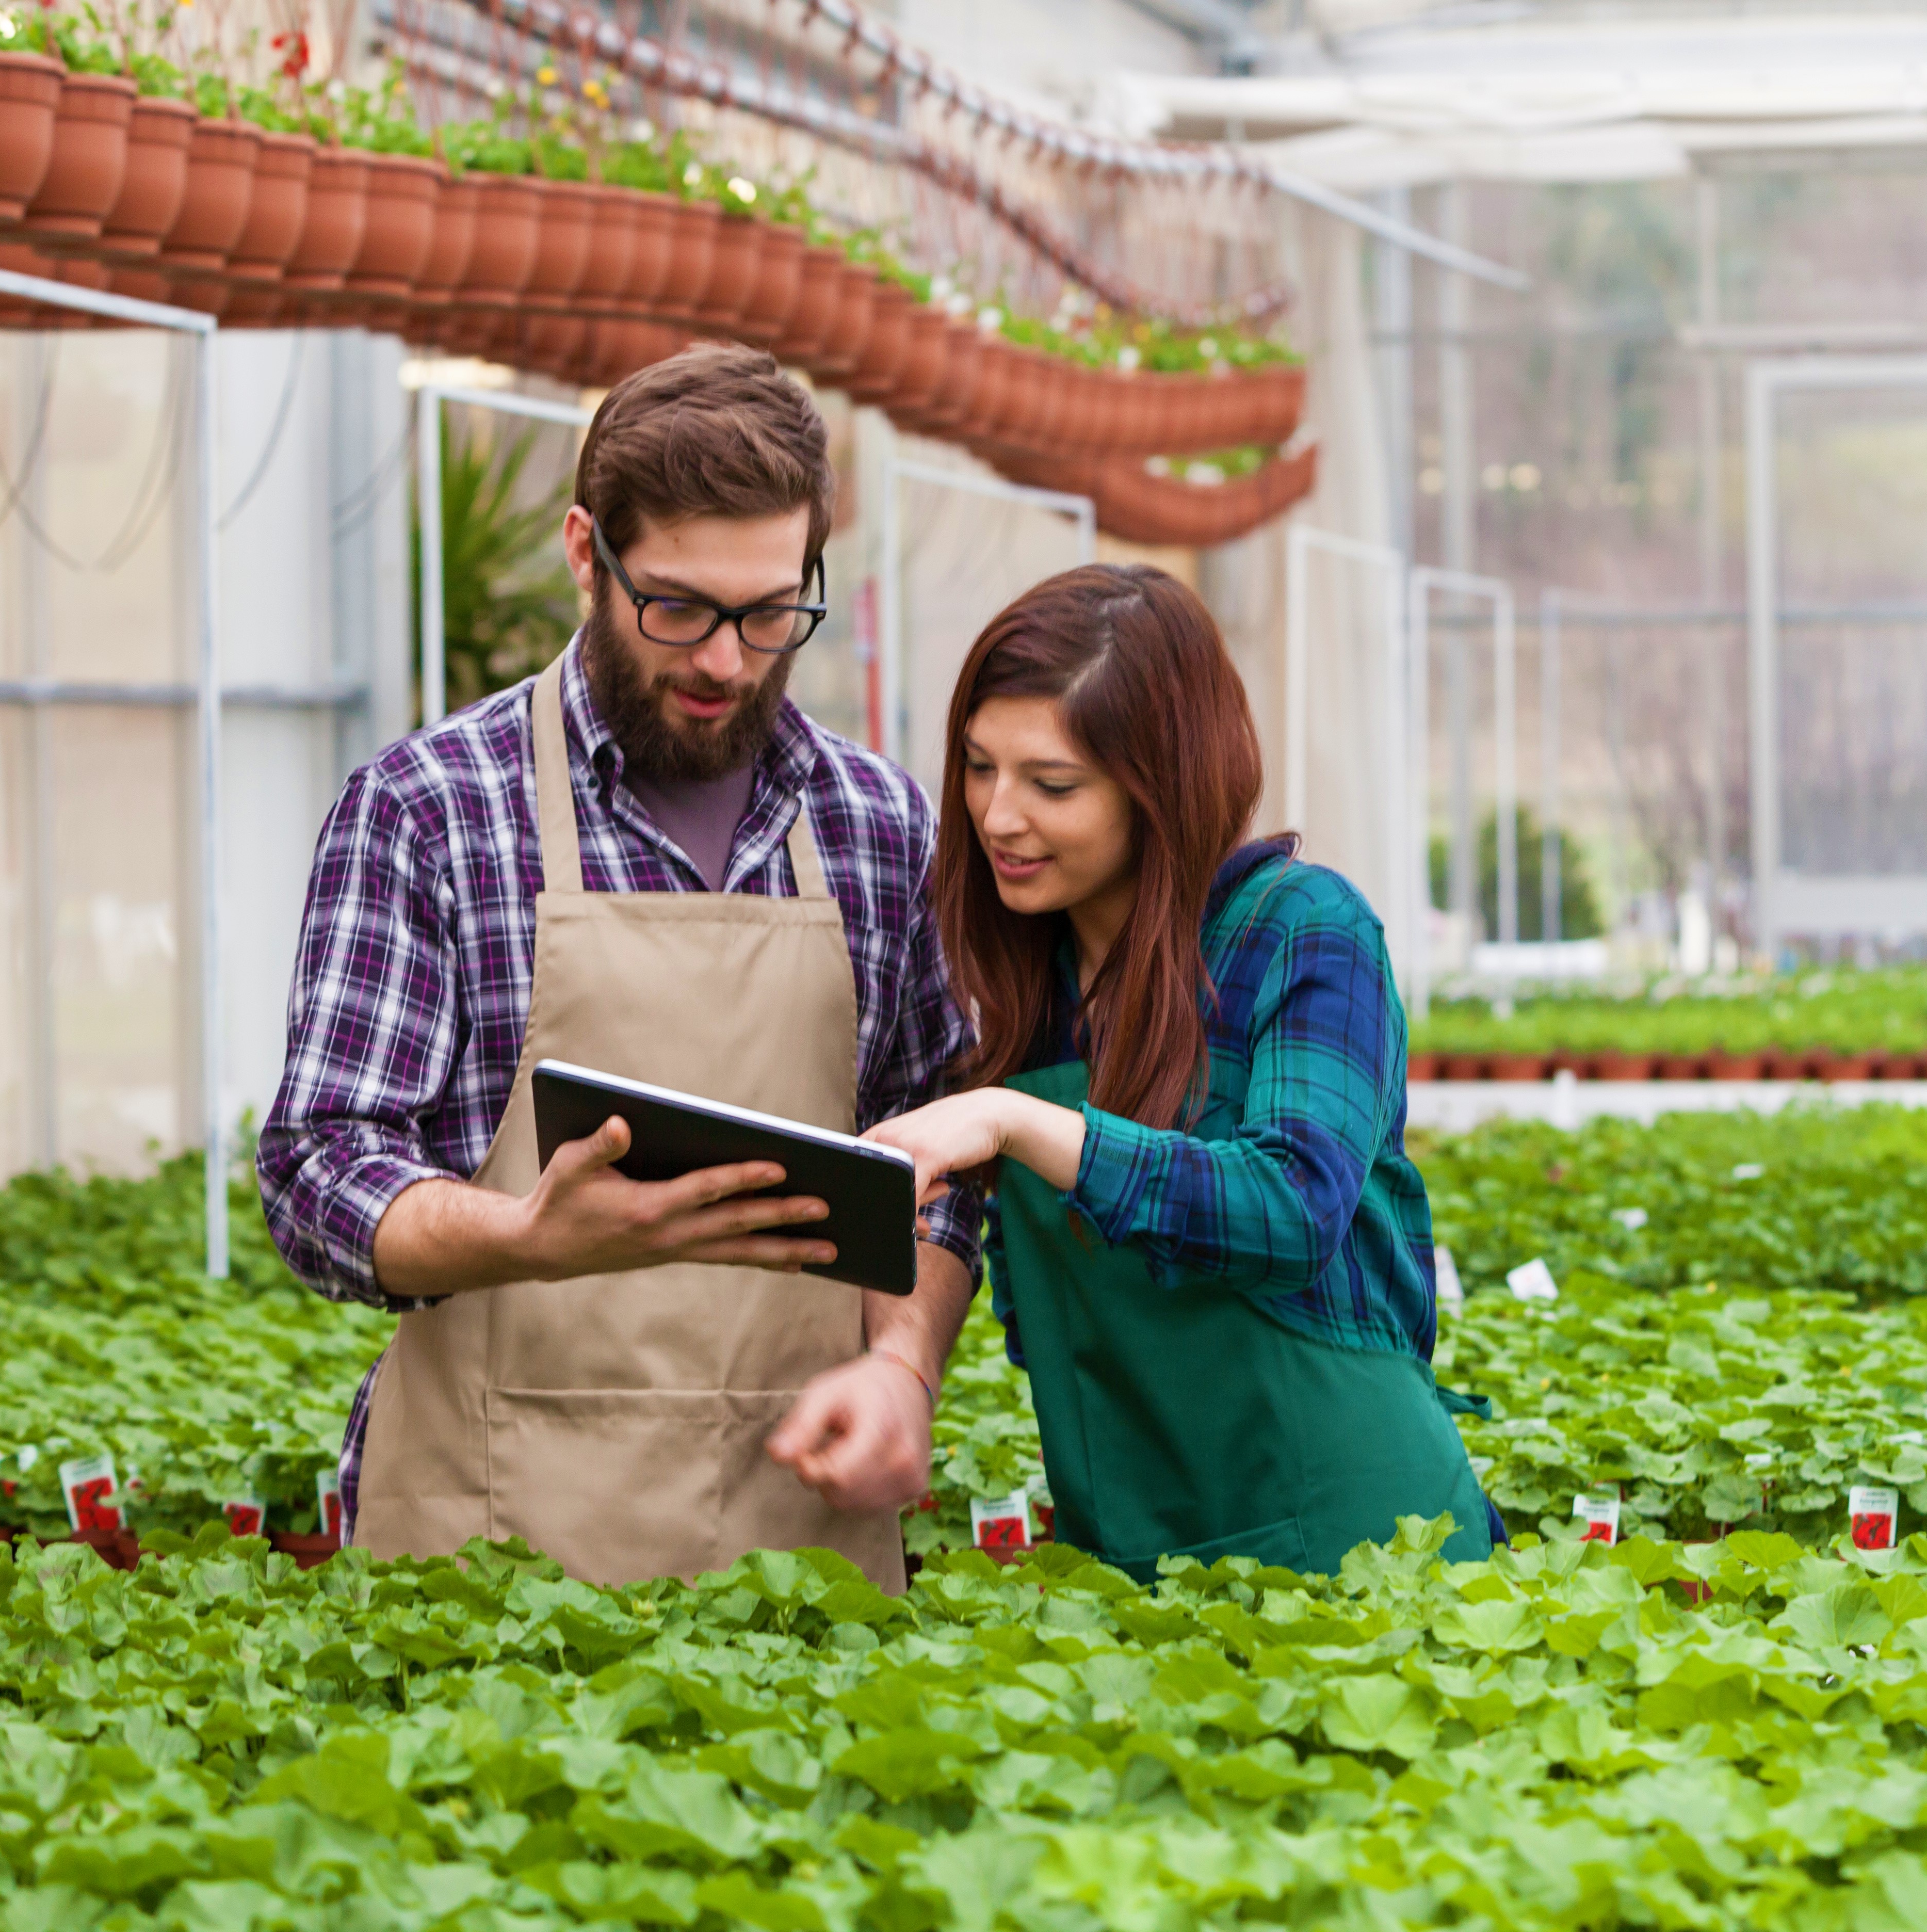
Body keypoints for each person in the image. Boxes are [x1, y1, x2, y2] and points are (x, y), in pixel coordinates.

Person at [257, 346, 978, 1590]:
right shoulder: (431, 810)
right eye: (680, 608)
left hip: (796, 1535)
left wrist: (905, 1367)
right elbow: (318, 1168)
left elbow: (942, 1163)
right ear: (589, 554)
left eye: (769, 614)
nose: (723, 661)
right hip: (491, 1543)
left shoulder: (879, 825)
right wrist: (527, 1233)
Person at [864, 564, 1497, 1582]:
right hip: (1129, 1563)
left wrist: (1021, 1124)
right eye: (980, 768)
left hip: (1356, 1560)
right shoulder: (1031, 987)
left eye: (1052, 784)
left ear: (1161, 784)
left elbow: (1294, 1207)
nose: (998, 815)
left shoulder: (1303, 934)